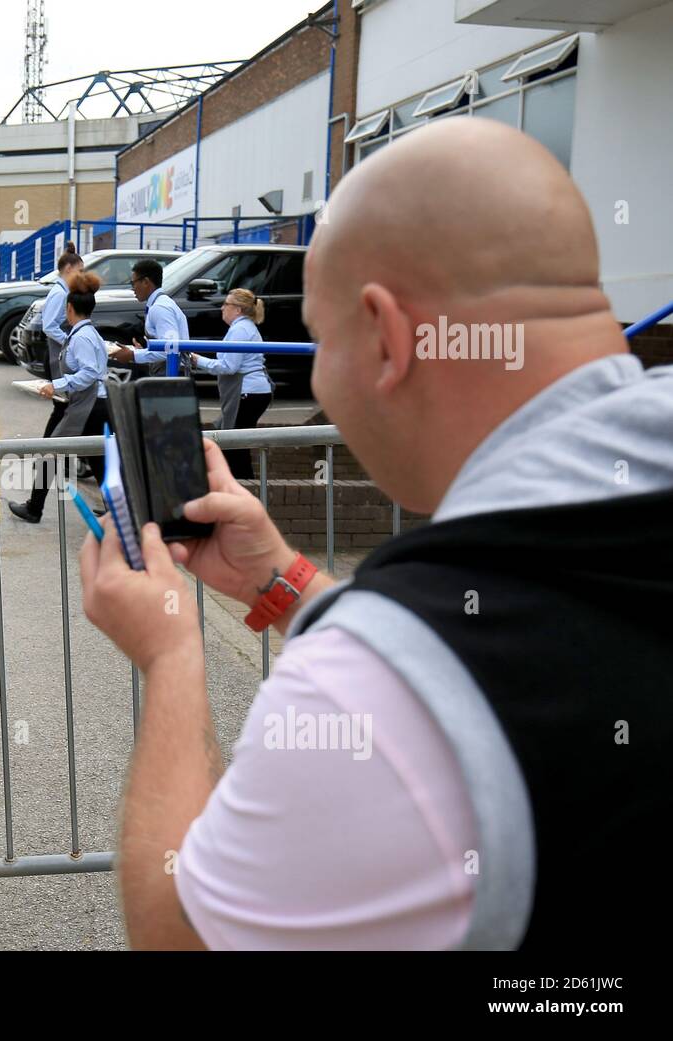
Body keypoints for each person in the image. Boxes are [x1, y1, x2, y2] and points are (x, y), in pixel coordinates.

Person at [78, 118, 673, 950]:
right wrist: (282, 581)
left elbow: (181, 932)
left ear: (388, 337)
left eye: (323, 340)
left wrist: (171, 653)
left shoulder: (372, 694)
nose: (319, 371)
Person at [9, 270, 109, 523]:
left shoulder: (82, 337)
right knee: (99, 460)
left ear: (70, 308)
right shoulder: (87, 333)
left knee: (50, 453)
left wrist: (59, 384)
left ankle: (34, 508)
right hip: (92, 404)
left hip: (88, 406)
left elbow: (89, 372)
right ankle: (119, 510)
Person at [187, 288, 273, 479]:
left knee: (235, 447)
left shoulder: (240, 329)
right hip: (252, 391)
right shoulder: (244, 327)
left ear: (238, 309)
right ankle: (244, 486)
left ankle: (245, 486)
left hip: (247, 392)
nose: (222, 308)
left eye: (226, 304)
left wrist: (198, 360)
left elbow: (229, 367)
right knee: (234, 444)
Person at [111, 259, 189, 375]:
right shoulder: (160, 304)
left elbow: (170, 349)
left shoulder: (160, 308)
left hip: (170, 378)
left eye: (133, 283)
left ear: (146, 282)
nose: (132, 288)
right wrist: (143, 351)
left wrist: (133, 355)